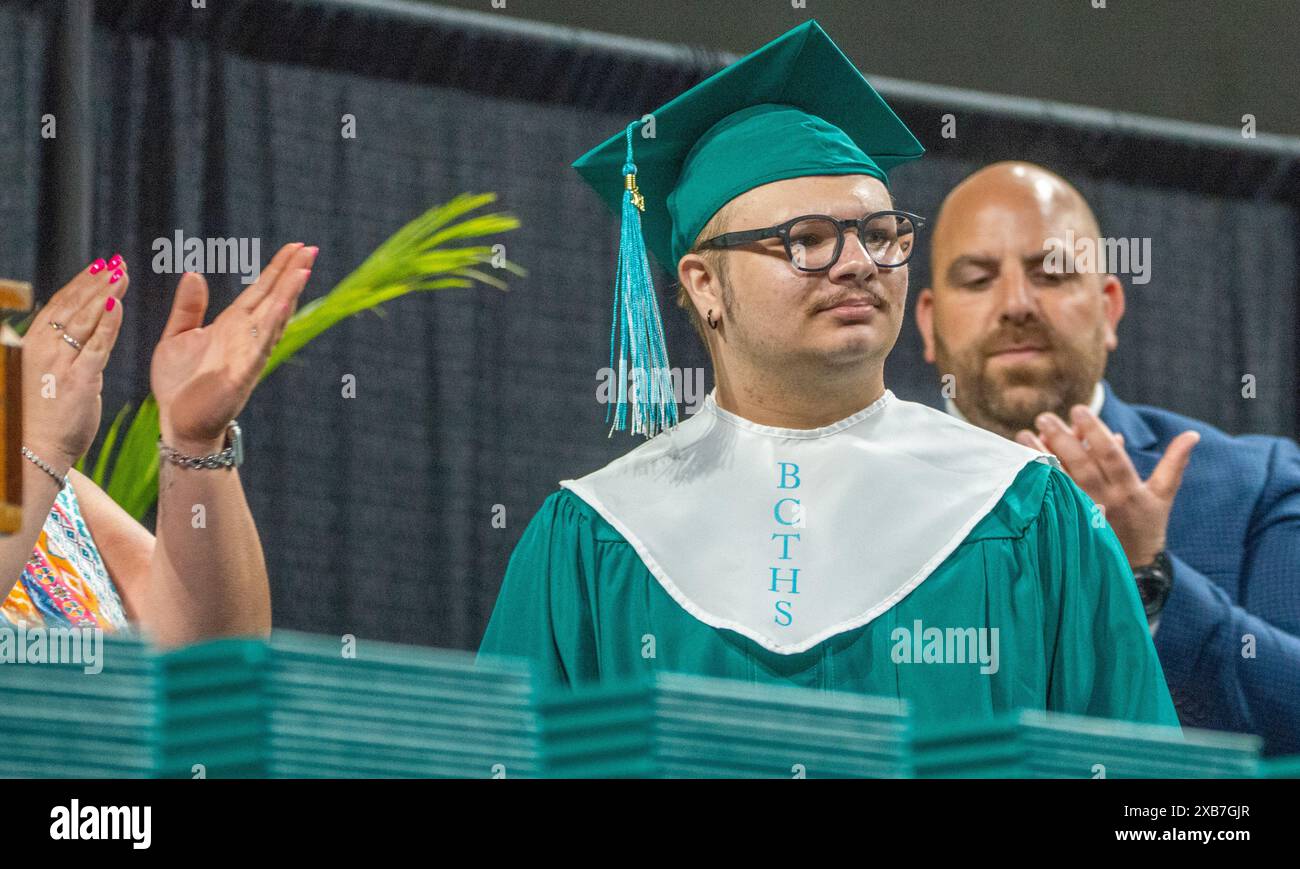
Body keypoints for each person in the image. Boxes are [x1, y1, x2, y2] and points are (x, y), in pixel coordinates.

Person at [479, 21, 1177, 730]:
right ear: (704, 284)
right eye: (805, 240)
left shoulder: (1025, 511)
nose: (858, 263)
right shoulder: (599, 537)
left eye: (880, 235)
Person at [915, 160, 1300, 754]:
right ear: (930, 324)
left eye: (1052, 273)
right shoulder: (864, 498)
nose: (1017, 303)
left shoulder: (1254, 487)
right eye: (977, 279)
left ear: (1110, 307)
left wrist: (1148, 578)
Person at [0, 242, 317, 647]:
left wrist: (195, 443)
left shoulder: (47, 489)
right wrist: (41, 444)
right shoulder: (31, 465)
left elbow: (208, 658)